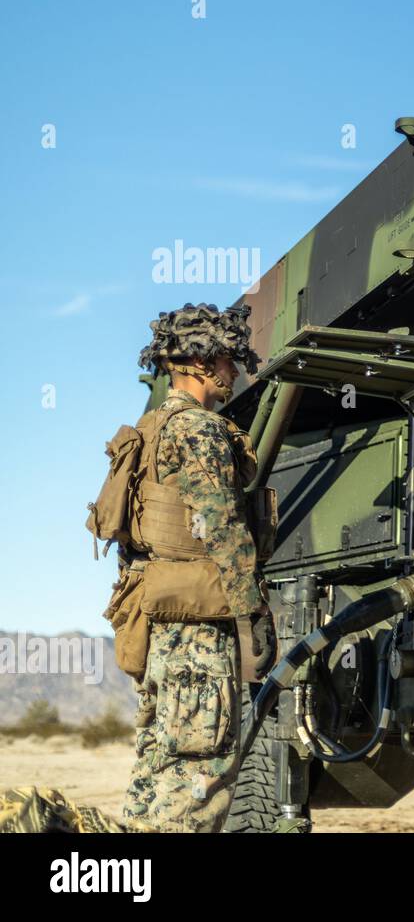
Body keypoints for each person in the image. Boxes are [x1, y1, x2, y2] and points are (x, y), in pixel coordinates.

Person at [114, 302, 274, 832]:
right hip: (197, 626)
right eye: (228, 360)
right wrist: (254, 613)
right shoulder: (201, 431)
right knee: (201, 771)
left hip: (160, 619)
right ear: (202, 362)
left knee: (157, 767)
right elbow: (222, 524)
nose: (234, 372)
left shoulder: (150, 429)